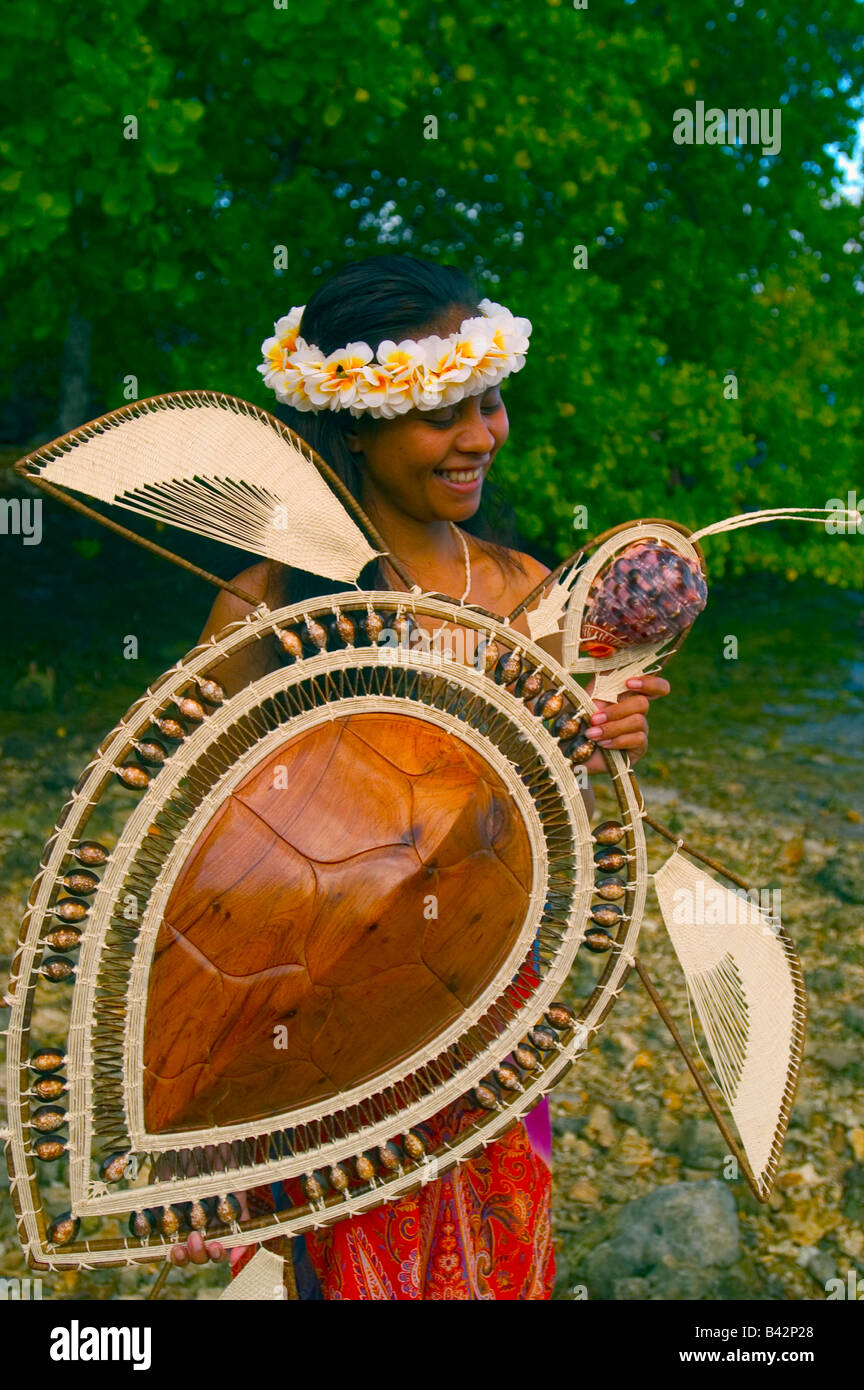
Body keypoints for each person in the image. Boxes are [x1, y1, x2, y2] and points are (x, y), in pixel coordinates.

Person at [169, 254, 670, 1298]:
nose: (482, 436)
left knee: (503, 1252)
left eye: (489, 404)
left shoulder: (530, 590)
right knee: (356, 1270)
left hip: (495, 1001)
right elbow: (203, 862)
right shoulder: (267, 606)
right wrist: (204, 1118)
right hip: (328, 1018)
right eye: (445, 413)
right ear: (356, 421)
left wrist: (608, 745)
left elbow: (551, 818)